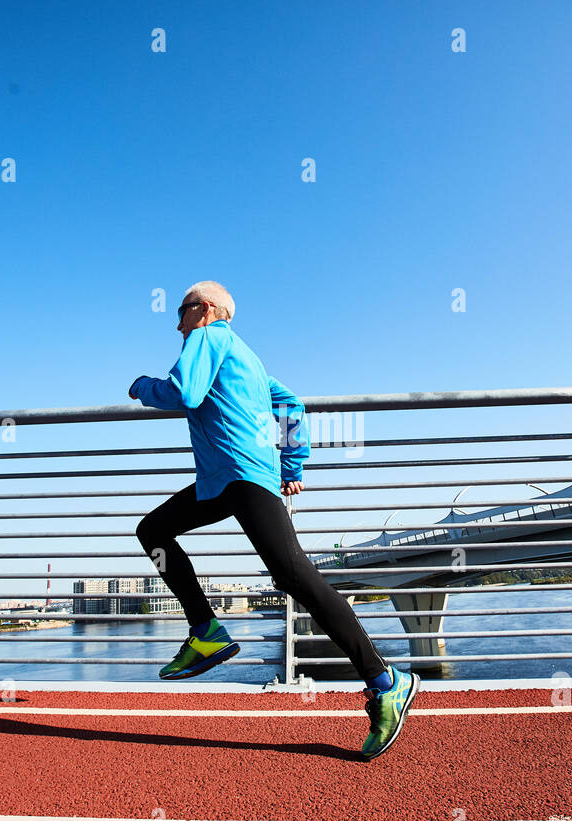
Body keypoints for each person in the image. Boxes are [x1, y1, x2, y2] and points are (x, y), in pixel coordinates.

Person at [128, 280, 419, 760]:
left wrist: (141, 387)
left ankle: (385, 680)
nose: (176, 323)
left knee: (294, 574)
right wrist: (291, 466)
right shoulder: (250, 357)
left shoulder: (209, 336)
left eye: (181, 312)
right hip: (227, 481)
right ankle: (204, 631)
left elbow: (184, 390)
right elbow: (290, 404)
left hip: (239, 477)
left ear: (205, 309)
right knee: (155, 530)